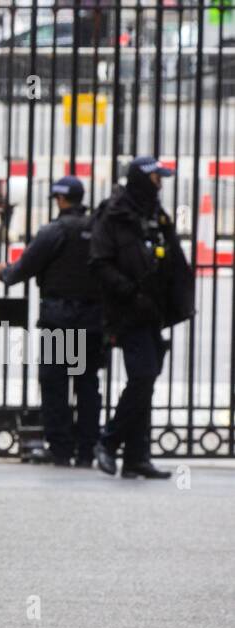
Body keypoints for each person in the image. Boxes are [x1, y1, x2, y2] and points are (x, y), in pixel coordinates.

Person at [89, 157, 195, 479]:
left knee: (146, 380)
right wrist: (131, 293)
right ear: (140, 180)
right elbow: (100, 263)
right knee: (143, 376)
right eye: (155, 179)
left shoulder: (154, 215)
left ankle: (136, 456)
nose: (160, 185)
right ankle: (107, 442)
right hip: (127, 311)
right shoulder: (114, 215)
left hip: (153, 311)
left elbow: (172, 256)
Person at [0, 175, 104, 467]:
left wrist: (2, 273)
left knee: (55, 385)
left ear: (60, 200)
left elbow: (24, 268)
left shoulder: (54, 231)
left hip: (59, 321)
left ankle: (62, 449)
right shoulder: (97, 229)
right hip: (91, 320)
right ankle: (88, 450)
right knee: (88, 384)